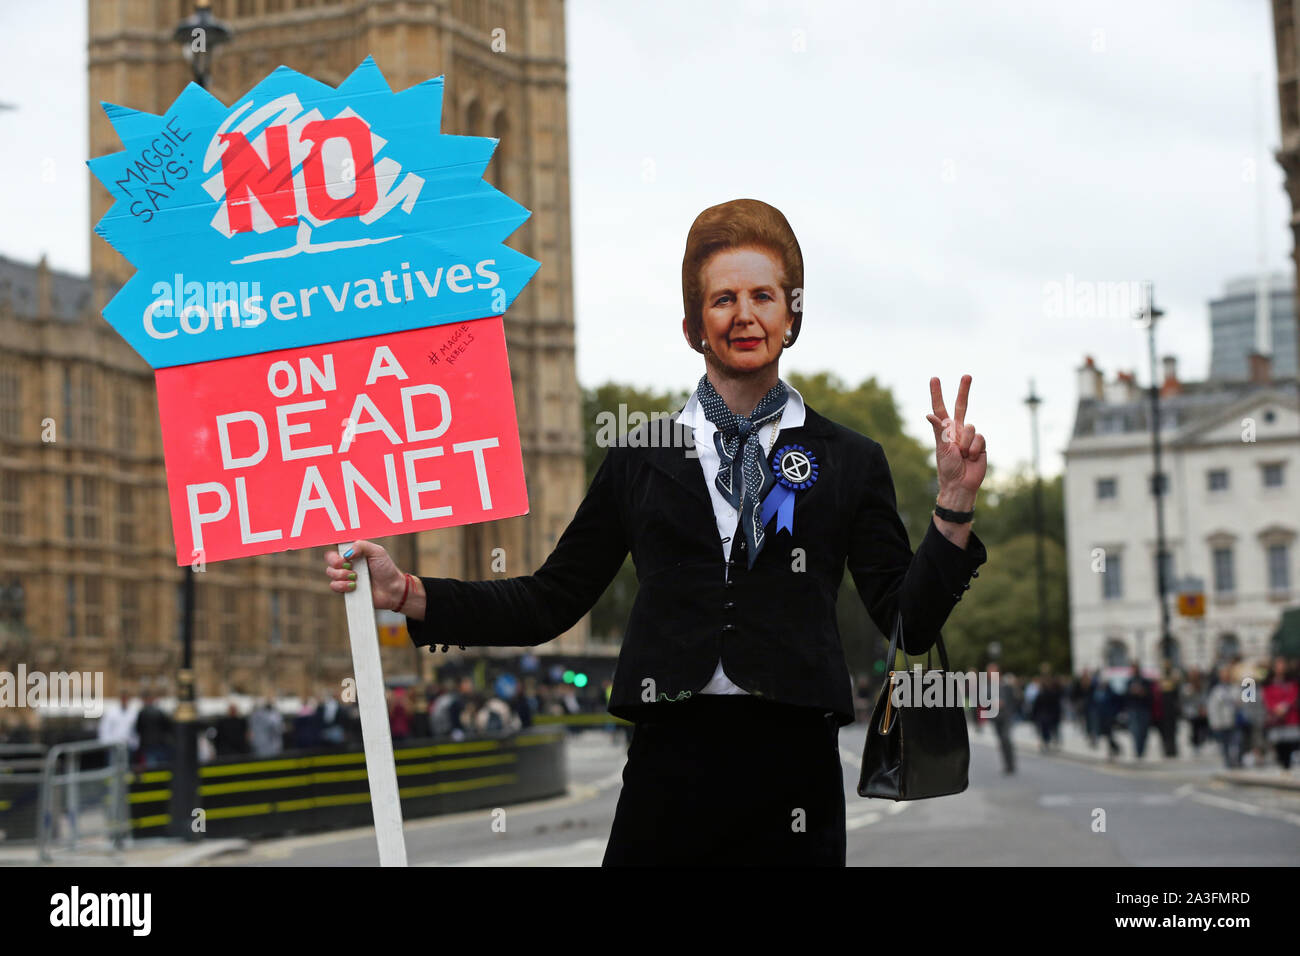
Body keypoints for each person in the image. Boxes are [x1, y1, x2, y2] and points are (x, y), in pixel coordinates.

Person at [323, 198, 989, 866]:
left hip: (795, 770)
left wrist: (953, 506)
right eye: (723, 299)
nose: (745, 314)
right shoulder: (640, 457)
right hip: (668, 767)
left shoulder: (849, 459)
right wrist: (408, 591)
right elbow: (547, 601)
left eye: (764, 296)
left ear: (793, 316)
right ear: (693, 325)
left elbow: (909, 622)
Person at [1261, 657, 1299, 770]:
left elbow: (1294, 694)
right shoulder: (1269, 683)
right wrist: (1275, 708)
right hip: (1276, 718)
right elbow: (1267, 698)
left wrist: (1285, 706)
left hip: (1290, 716)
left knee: (1290, 742)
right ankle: (1283, 764)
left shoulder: (1292, 681)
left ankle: (1288, 765)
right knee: (1279, 743)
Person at [1124, 665, 1154, 759]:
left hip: (1144, 709)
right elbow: (1125, 697)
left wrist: (1142, 692)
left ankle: (1141, 750)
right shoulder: (1129, 682)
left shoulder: (1145, 682)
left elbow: (1150, 696)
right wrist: (1132, 692)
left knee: (1143, 731)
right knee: (1135, 730)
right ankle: (1138, 751)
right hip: (1133, 709)